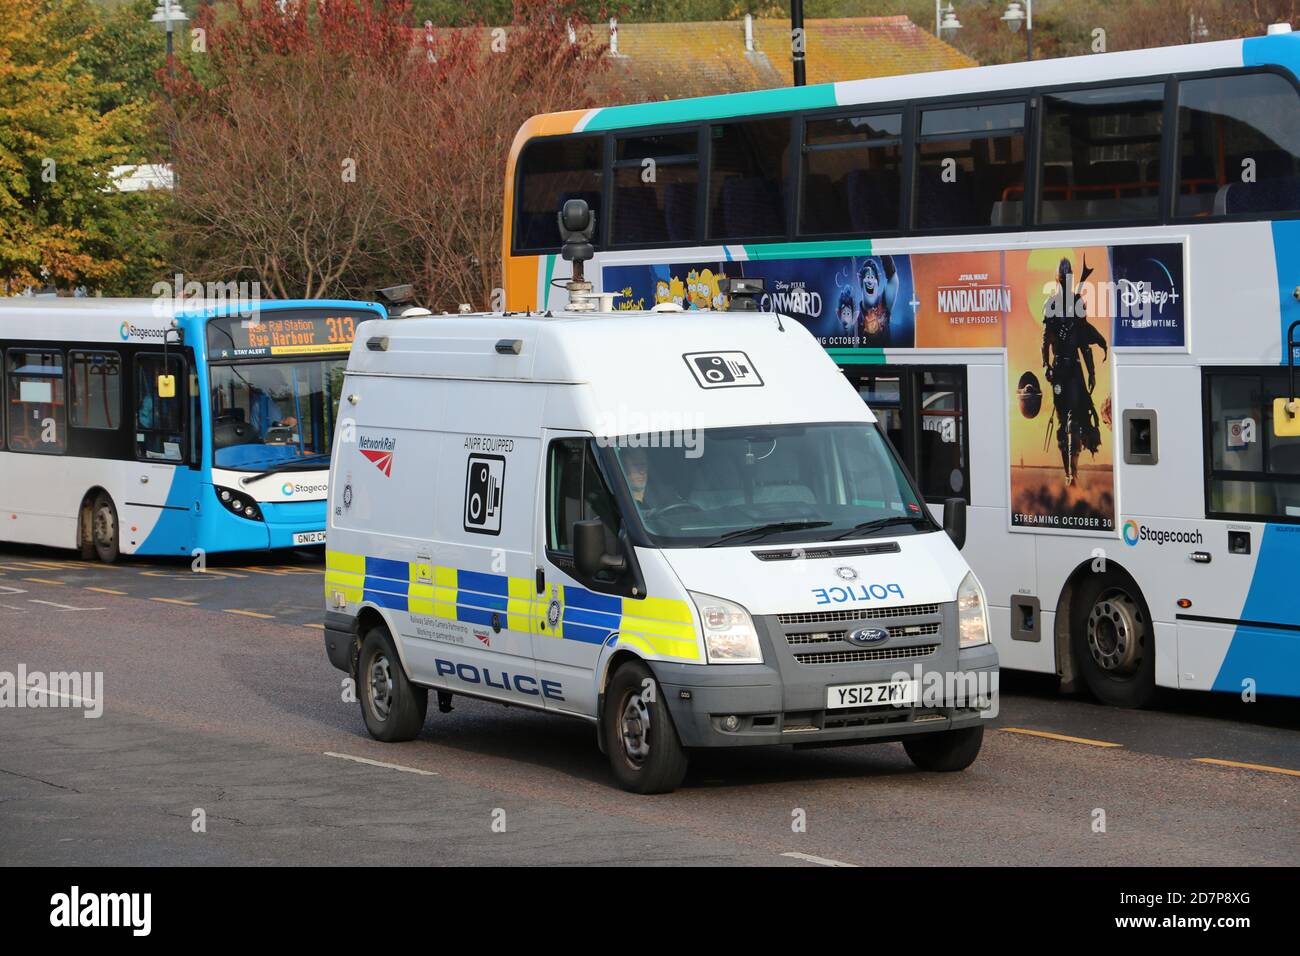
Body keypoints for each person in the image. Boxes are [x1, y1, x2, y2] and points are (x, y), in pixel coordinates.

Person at [1042, 256, 1108, 485]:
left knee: (1076, 421)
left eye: (1068, 279)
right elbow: (1045, 341)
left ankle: (1074, 474)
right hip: (1060, 369)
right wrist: (1046, 365)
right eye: (1063, 279)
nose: (1065, 282)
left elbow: (1083, 342)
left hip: (1075, 369)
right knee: (1063, 424)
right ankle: (1068, 474)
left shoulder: (1077, 303)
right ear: (1058, 280)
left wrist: (1091, 372)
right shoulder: (1051, 304)